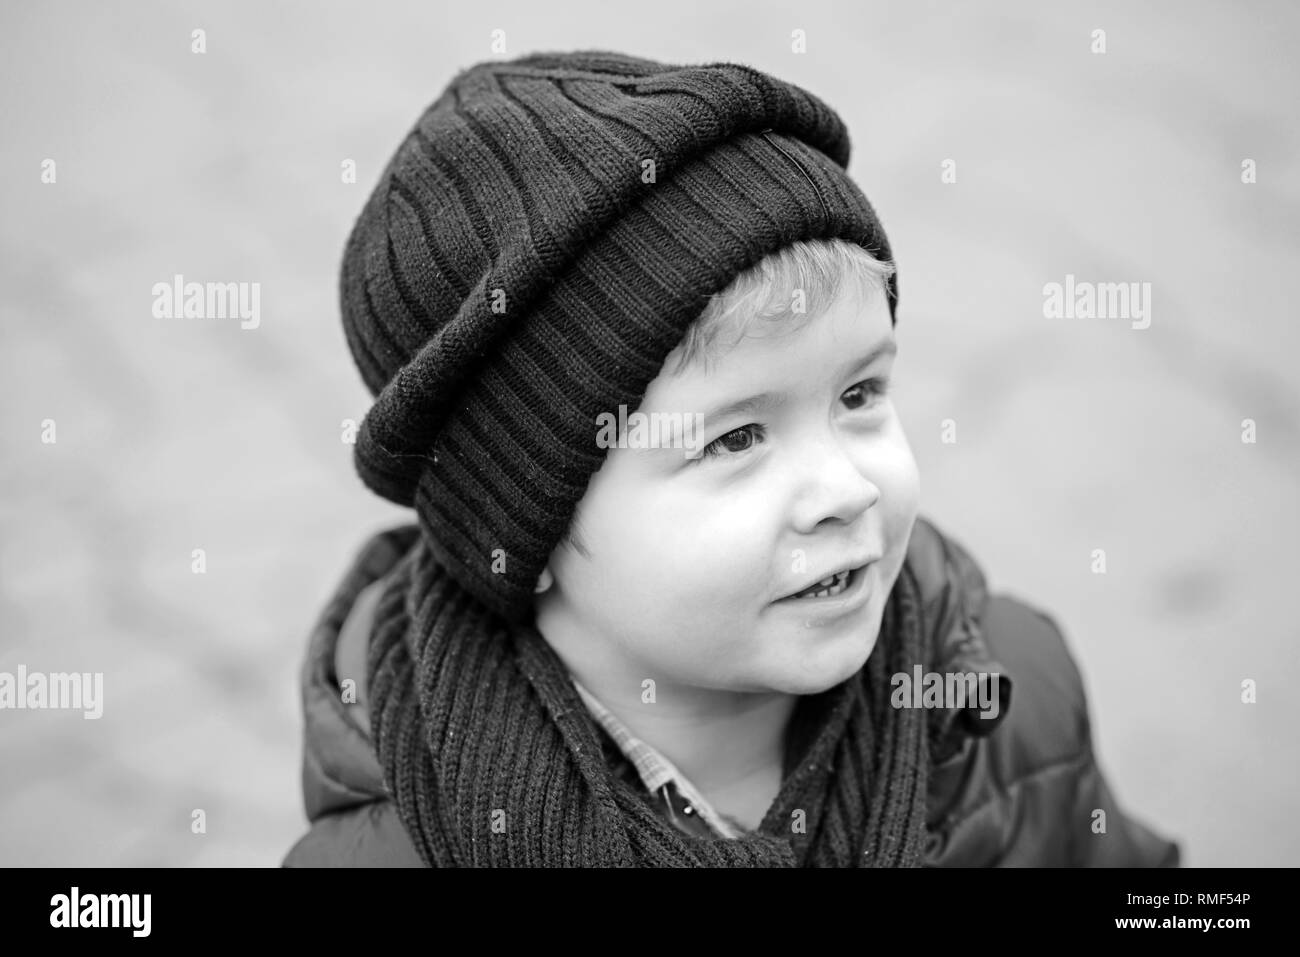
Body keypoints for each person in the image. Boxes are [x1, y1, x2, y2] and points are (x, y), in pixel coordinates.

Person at [283, 49, 1180, 867]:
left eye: (858, 396)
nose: (844, 488)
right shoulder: (395, 849)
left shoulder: (1005, 692)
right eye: (736, 437)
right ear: (529, 528)